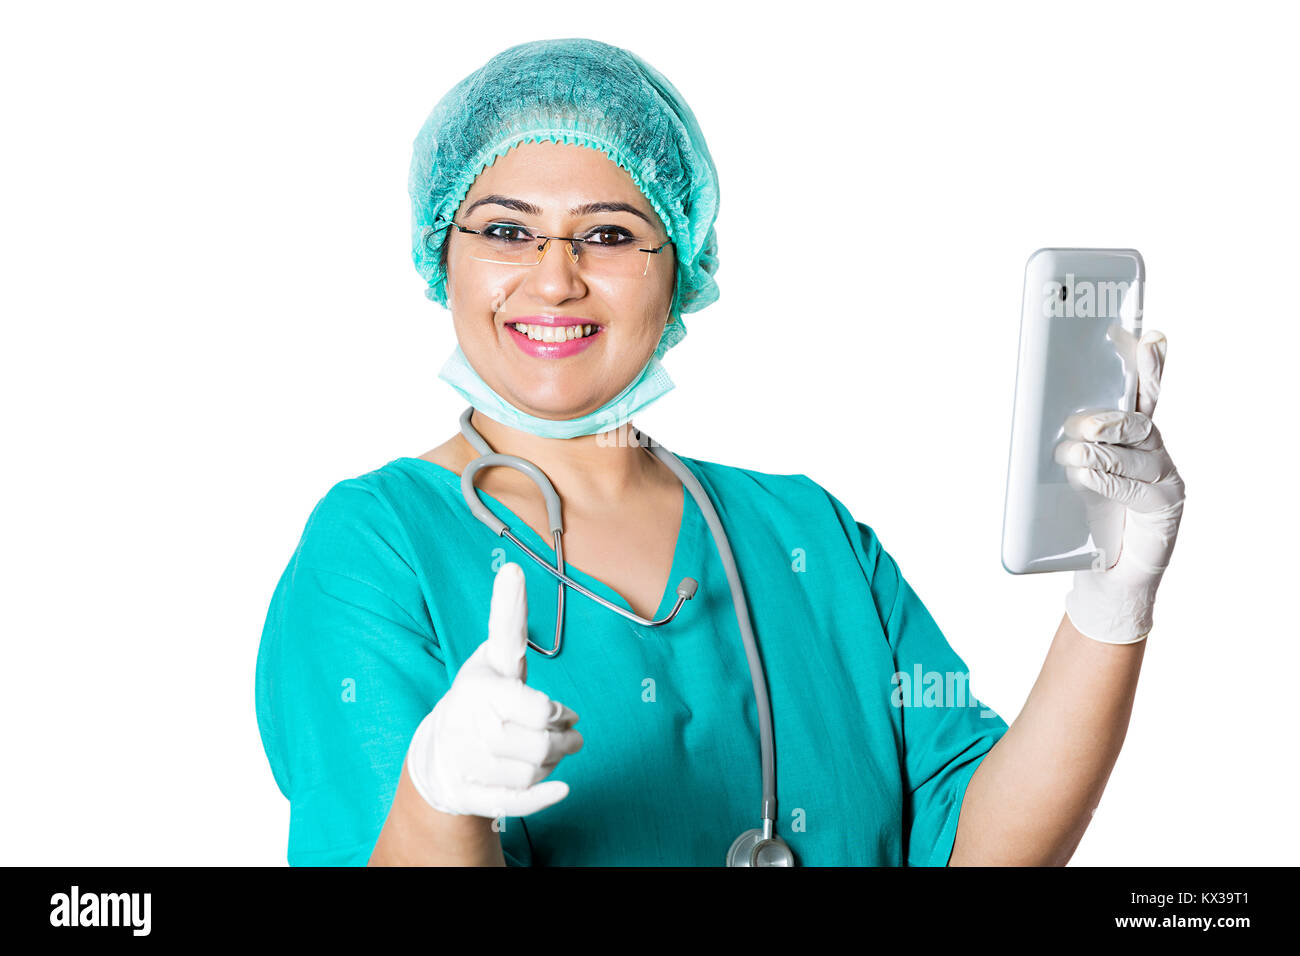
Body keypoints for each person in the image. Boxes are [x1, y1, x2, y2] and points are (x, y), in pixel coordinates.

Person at [253, 37, 1186, 867]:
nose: (553, 277)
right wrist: (438, 797)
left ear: (682, 267)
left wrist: (1111, 602)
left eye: (610, 235)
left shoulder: (808, 536)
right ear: (440, 252)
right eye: (505, 229)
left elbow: (985, 847)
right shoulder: (374, 549)